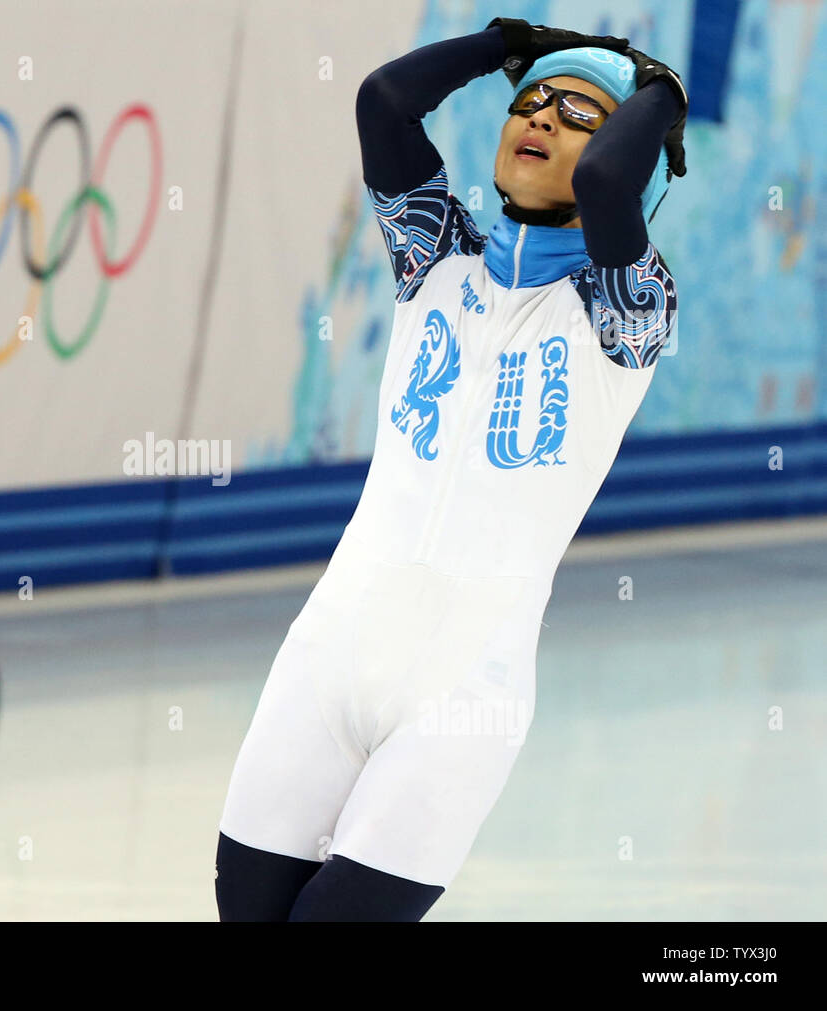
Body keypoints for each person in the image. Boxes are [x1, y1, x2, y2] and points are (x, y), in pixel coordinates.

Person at [216, 18, 688, 921]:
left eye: (580, 112)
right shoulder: (436, 257)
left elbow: (604, 183)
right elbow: (385, 103)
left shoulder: (626, 313)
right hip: (325, 665)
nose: (541, 118)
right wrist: (504, 39)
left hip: (460, 701)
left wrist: (660, 89)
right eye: (530, 101)